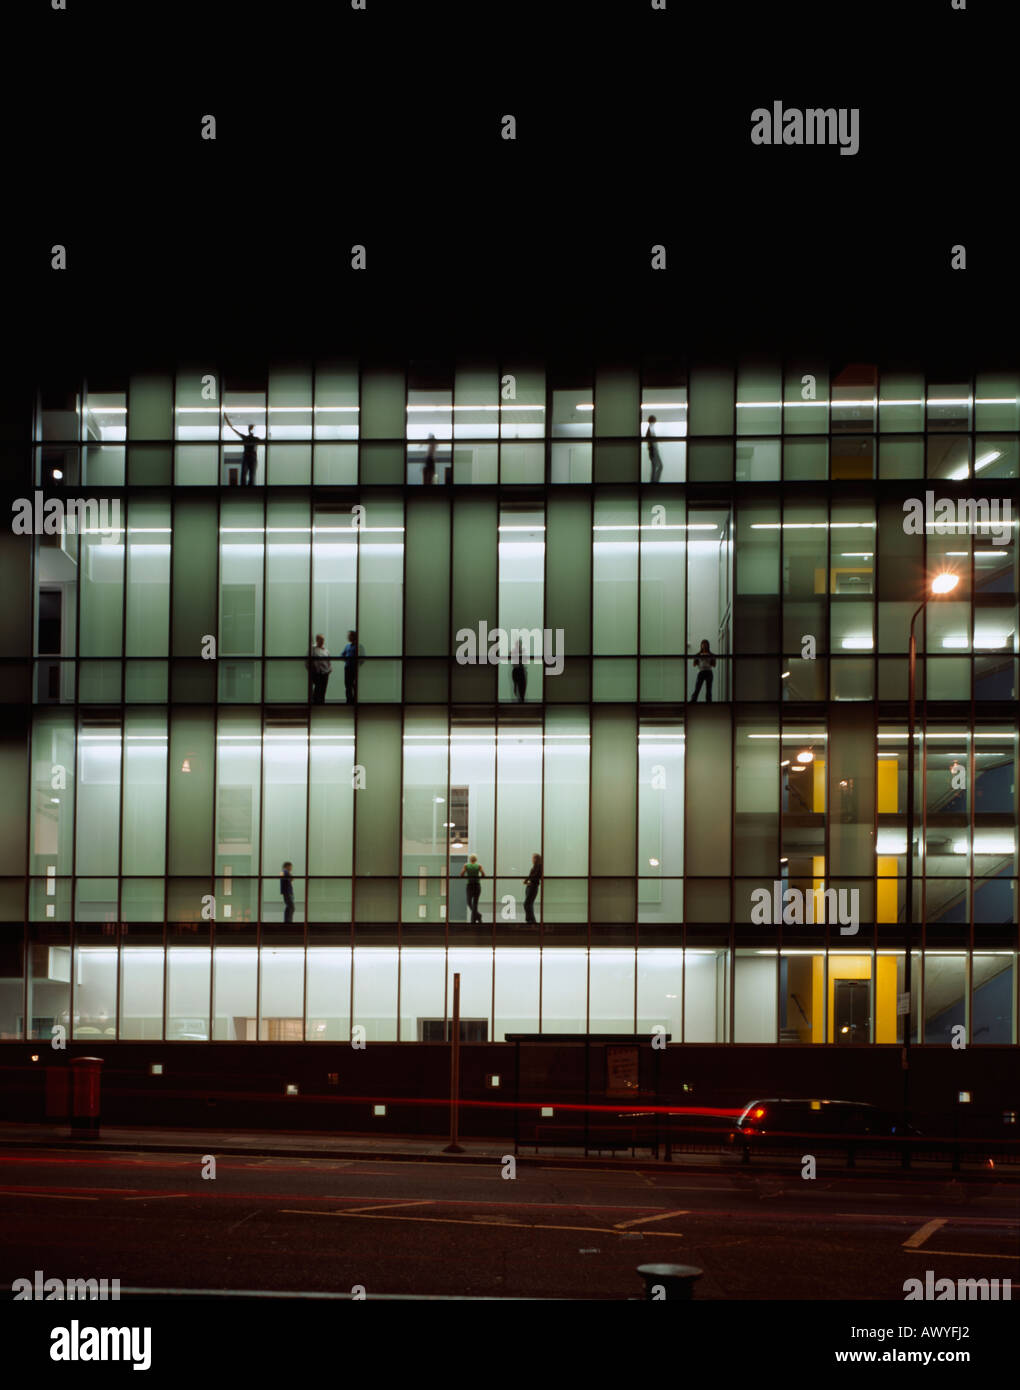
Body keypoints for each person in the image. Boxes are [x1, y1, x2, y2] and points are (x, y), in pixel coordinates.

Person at [224, 413, 264, 486]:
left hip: (249, 457)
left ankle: (247, 486)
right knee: (248, 473)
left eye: (251, 428)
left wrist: (227, 420)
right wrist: (227, 420)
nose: (251, 430)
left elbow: (234, 430)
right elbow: (234, 430)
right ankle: (247, 486)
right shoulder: (253, 439)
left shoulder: (252, 438)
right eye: (251, 428)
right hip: (250, 457)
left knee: (249, 474)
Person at [458, 854, 486, 923]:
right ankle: (477, 917)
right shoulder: (479, 866)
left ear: (470, 859)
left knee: (469, 902)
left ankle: (475, 918)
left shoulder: (466, 866)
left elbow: (461, 874)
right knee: (475, 903)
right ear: (476, 860)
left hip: (469, 885)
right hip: (477, 885)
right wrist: (478, 877)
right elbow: (483, 874)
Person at [308, 634, 332, 703]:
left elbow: (329, 661)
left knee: (323, 689)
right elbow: (307, 662)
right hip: (317, 673)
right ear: (317, 640)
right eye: (320, 639)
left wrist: (330, 669)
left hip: (325, 672)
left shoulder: (326, 650)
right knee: (317, 689)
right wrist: (311, 670)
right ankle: (316, 703)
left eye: (323, 639)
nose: (322, 641)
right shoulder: (313, 649)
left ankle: (322, 703)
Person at [342, 629, 363, 704]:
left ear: (353, 636)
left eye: (349, 635)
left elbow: (362, 658)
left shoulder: (359, 646)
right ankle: (349, 700)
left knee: (354, 685)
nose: (347, 637)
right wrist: (347, 661)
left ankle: (355, 701)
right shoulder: (347, 646)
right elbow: (342, 655)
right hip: (347, 668)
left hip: (354, 669)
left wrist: (356, 665)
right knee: (347, 685)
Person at [522, 852, 542, 924]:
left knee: (527, 904)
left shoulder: (538, 867)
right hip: (531, 886)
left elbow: (533, 876)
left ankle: (531, 921)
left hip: (532, 886)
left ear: (536, 859)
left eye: (533, 858)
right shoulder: (535, 867)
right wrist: (527, 881)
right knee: (529, 904)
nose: (532, 859)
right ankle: (530, 920)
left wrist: (526, 880)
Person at [646, 414, 663, 484]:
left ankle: (653, 481)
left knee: (654, 467)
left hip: (653, 451)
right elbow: (650, 442)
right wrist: (651, 451)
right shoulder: (650, 429)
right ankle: (654, 481)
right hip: (653, 451)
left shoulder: (650, 429)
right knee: (659, 466)